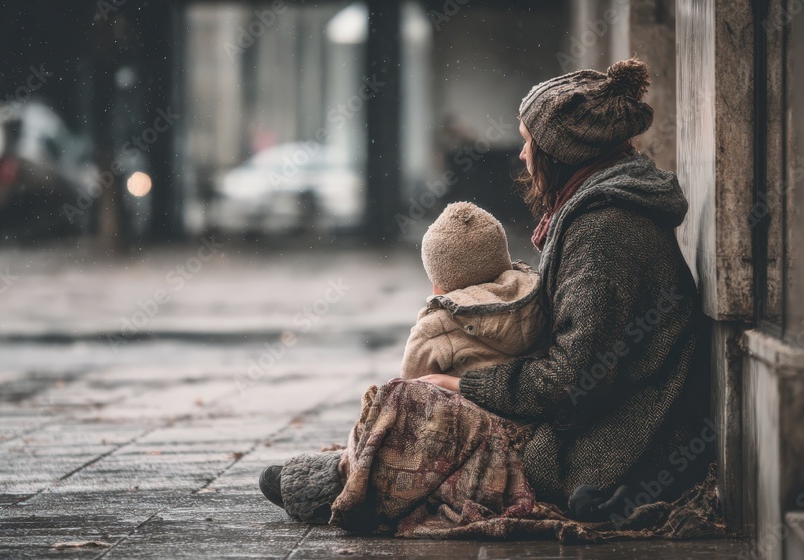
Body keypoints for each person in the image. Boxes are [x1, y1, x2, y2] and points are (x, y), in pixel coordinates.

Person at [259, 57, 712, 530]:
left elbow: (570, 382)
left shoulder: (605, 231)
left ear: (559, 153)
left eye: (528, 142)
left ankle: (342, 485)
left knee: (410, 400)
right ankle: (344, 471)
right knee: (422, 402)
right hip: (608, 429)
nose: (522, 155)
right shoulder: (600, 213)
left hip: (613, 448)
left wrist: (463, 385)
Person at [399, 201, 545, 380]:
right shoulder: (537, 297)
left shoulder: (433, 329)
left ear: (438, 281)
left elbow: (408, 384)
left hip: (463, 397)